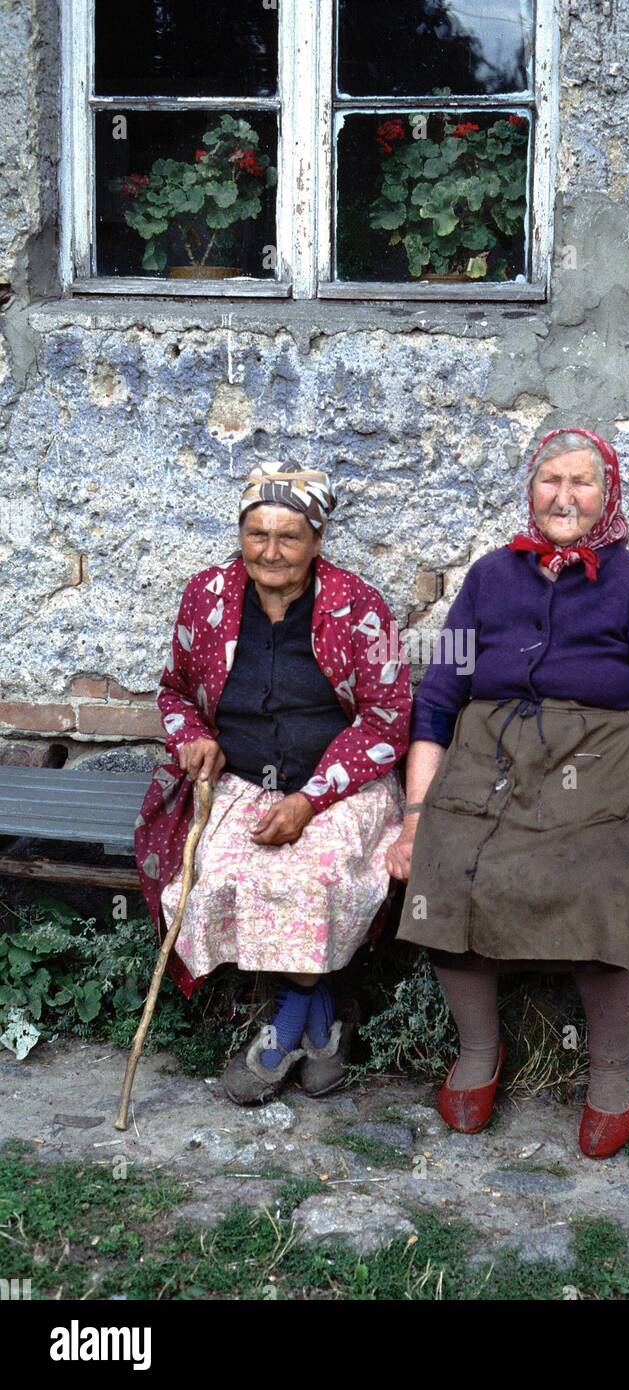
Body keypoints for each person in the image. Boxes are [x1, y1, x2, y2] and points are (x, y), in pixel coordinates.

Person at [385, 428, 629, 1157]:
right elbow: (436, 702)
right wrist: (413, 821)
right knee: (445, 863)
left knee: (597, 877)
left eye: (582, 482)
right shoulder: (490, 577)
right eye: (548, 480)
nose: (564, 496)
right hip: (487, 752)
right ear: (529, 490)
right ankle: (477, 1050)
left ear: (607, 493)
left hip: (596, 758)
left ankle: (609, 1065)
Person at [135, 464, 411, 1104]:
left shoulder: (357, 605)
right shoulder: (207, 596)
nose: (270, 550)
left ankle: (284, 1026)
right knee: (223, 869)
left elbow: (387, 718)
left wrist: (310, 798)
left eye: (289, 536)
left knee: (306, 877)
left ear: (317, 540)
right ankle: (322, 1022)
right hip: (239, 780)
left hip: (340, 786)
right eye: (256, 533)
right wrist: (191, 738)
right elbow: (175, 692)